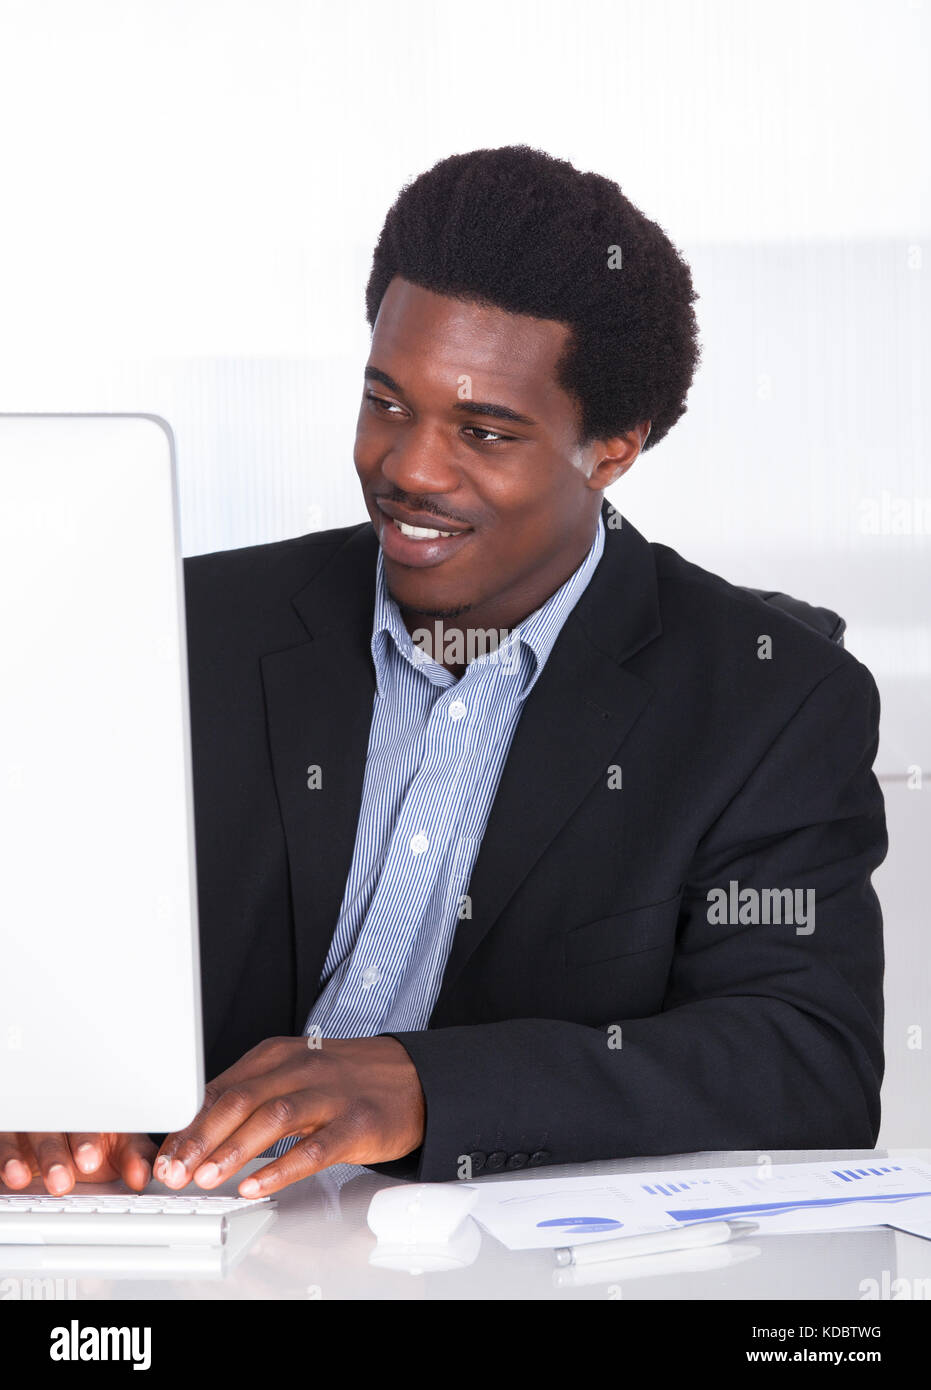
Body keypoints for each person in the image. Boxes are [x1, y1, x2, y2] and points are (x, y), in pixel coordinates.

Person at [0, 145, 886, 1198]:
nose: (409, 468)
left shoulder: (765, 701)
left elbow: (802, 1058)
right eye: (386, 403)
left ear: (611, 449)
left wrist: (423, 1085)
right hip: (175, 1253)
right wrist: (41, 1082)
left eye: (483, 430)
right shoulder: (178, 627)